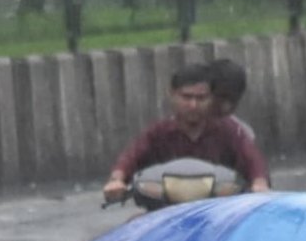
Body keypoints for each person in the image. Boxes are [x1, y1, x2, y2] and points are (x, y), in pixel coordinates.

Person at [103, 62, 269, 200]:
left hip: (219, 213)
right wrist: (116, 180)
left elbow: (253, 160)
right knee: (133, 226)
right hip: (167, 211)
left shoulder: (231, 131)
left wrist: (259, 183)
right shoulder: (158, 132)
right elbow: (130, 157)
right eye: (186, 97)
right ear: (172, 95)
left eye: (200, 98)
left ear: (211, 98)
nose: (193, 105)